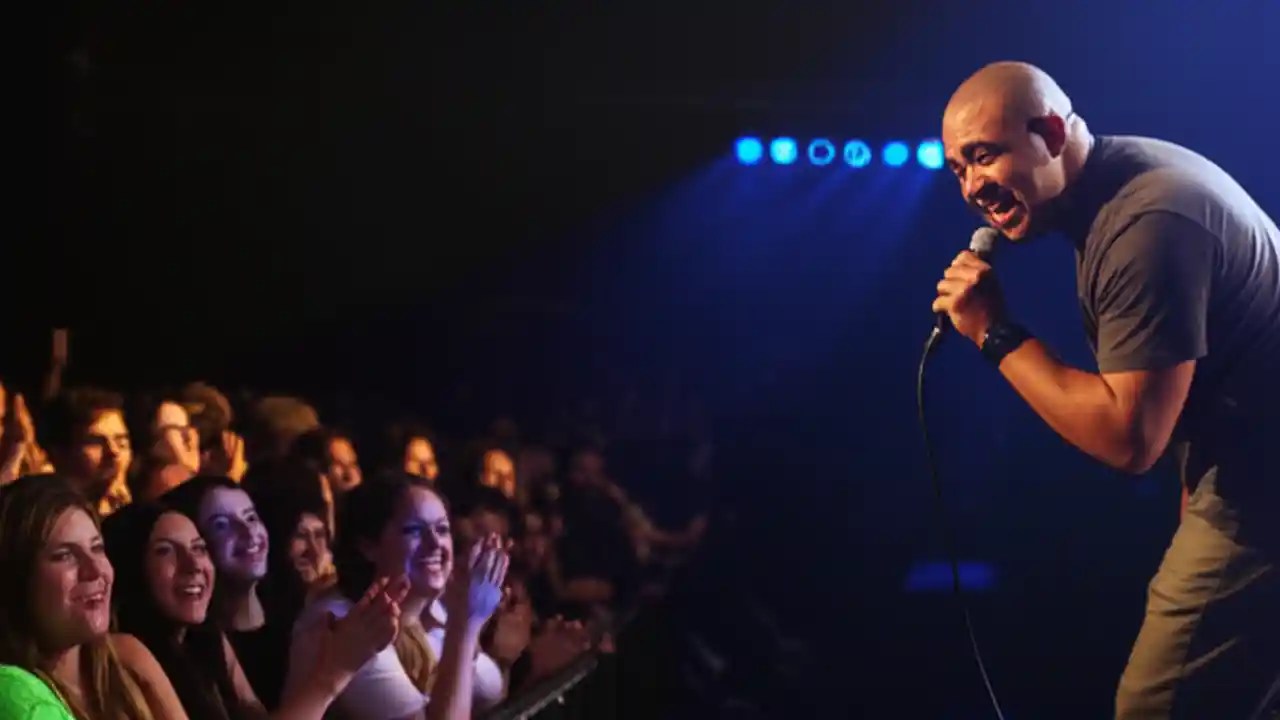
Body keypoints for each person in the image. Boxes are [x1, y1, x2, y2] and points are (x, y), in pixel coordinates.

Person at [933, 61, 1280, 718]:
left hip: (1263, 503)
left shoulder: (1146, 224)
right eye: (959, 170)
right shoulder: (1122, 187)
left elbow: (1128, 439)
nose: (973, 186)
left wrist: (994, 334)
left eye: (985, 157)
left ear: (1053, 132)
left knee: (1158, 707)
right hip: (1252, 477)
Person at [102, 501, 404, 720]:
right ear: (129, 568)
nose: (193, 565)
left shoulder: (206, 640)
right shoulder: (122, 657)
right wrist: (334, 671)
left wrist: (320, 660)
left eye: (199, 548)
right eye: (165, 551)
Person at [0, 474, 187, 719]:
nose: (96, 570)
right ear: (17, 577)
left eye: (97, 548)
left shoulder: (127, 657)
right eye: (65, 555)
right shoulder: (13, 694)